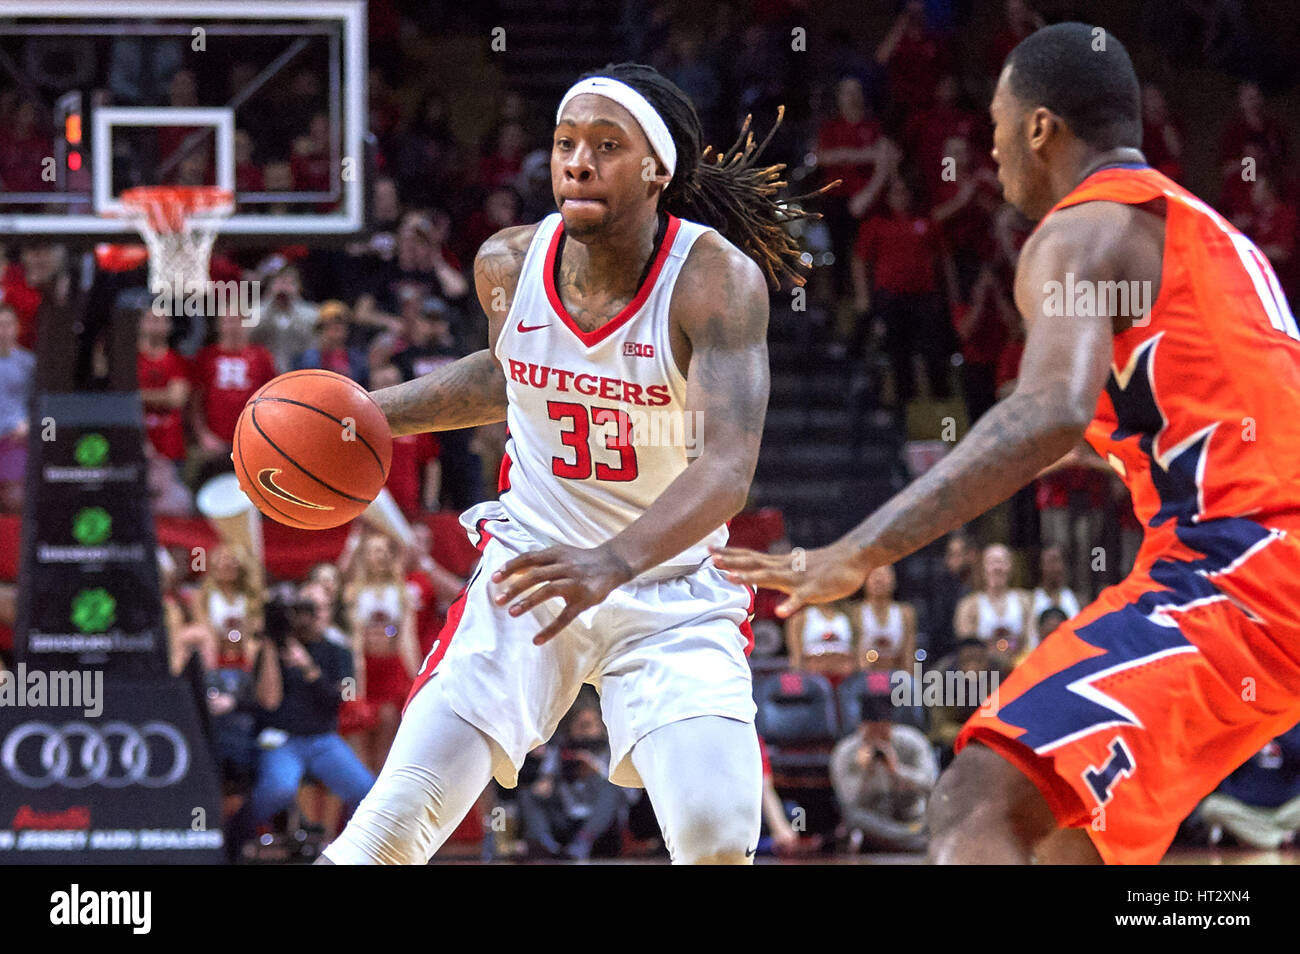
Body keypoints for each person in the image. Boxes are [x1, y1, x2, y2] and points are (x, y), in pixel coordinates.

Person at [715, 23, 1300, 865]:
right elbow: (1210, 417)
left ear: (1040, 127)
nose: (987, 149)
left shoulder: (1078, 231)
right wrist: (1096, 447)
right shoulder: (1214, 234)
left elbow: (1048, 411)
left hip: (1232, 572)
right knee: (1062, 829)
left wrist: (855, 550)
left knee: (973, 799)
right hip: (1258, 571)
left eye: (995, 123)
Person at [318, 62, 825, 866]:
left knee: (719, 839)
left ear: (659, 169)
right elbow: (504, 372)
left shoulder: (716, 282)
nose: (577, 162)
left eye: (605, 145)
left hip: (667, 586)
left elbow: (728, 468)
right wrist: (365, 414)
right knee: (390, 827)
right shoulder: (507, 264)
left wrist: (611, 562)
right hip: (530, 571)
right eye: (564, 144)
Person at [225, 591, 376, 862]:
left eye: (315, 610)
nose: (308, 617)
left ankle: (353, 850)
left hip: (323, 740)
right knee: (278, 789)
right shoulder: (272, 649)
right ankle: (230, 841)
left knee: (367, 791)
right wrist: (271, 643)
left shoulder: (337, 652)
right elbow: (267, 702)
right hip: (282, 740)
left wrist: (309, 668)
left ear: (327, 613)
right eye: (301, 610)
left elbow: (338, 700)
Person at [829, 683, 939, 853]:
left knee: (939, 813)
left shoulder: (913, 742)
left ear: (891, 725)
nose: (878, 737)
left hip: (911, 816)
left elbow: (931, 786)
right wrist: (863, 772)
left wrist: (897, 770)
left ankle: (903, 841)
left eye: (883, 730)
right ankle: (912, 842)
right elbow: (848, 801)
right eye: (873, 731)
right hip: (875, 820)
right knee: (853, 818)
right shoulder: (845, 752)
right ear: (861, 727)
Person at [953, 543, 1033, 657]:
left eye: (1002, 562)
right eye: (992, 562)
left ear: (1011, 566)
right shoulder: (968, 605)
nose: (997, 568)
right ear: (983, 568)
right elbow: (967, 646)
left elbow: (1032, 640)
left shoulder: (1026, 601)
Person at [0, 304, 34, 513]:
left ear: (17, 328)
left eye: (7, 325)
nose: (2, 330)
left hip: (16, 440)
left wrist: (33, 428)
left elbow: (46, 411)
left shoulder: (30, 364)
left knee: (15, 501)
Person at [854, 564, 916, 673]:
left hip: (895, 672)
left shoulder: (905, 612)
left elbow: (908, 653)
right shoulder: (856, 612)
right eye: (873, 575)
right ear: (864, 581)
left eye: (884, 574)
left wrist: (907, 678)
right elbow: (855, 651)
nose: (879, 579)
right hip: (865, 674)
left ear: (894, 580)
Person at [783, 600, 856, 682]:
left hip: (842, 667)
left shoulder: (847, 616)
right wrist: (796, 672)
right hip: (815, 666)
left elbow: (855, 648)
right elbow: (795, 655)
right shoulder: (802, 617)